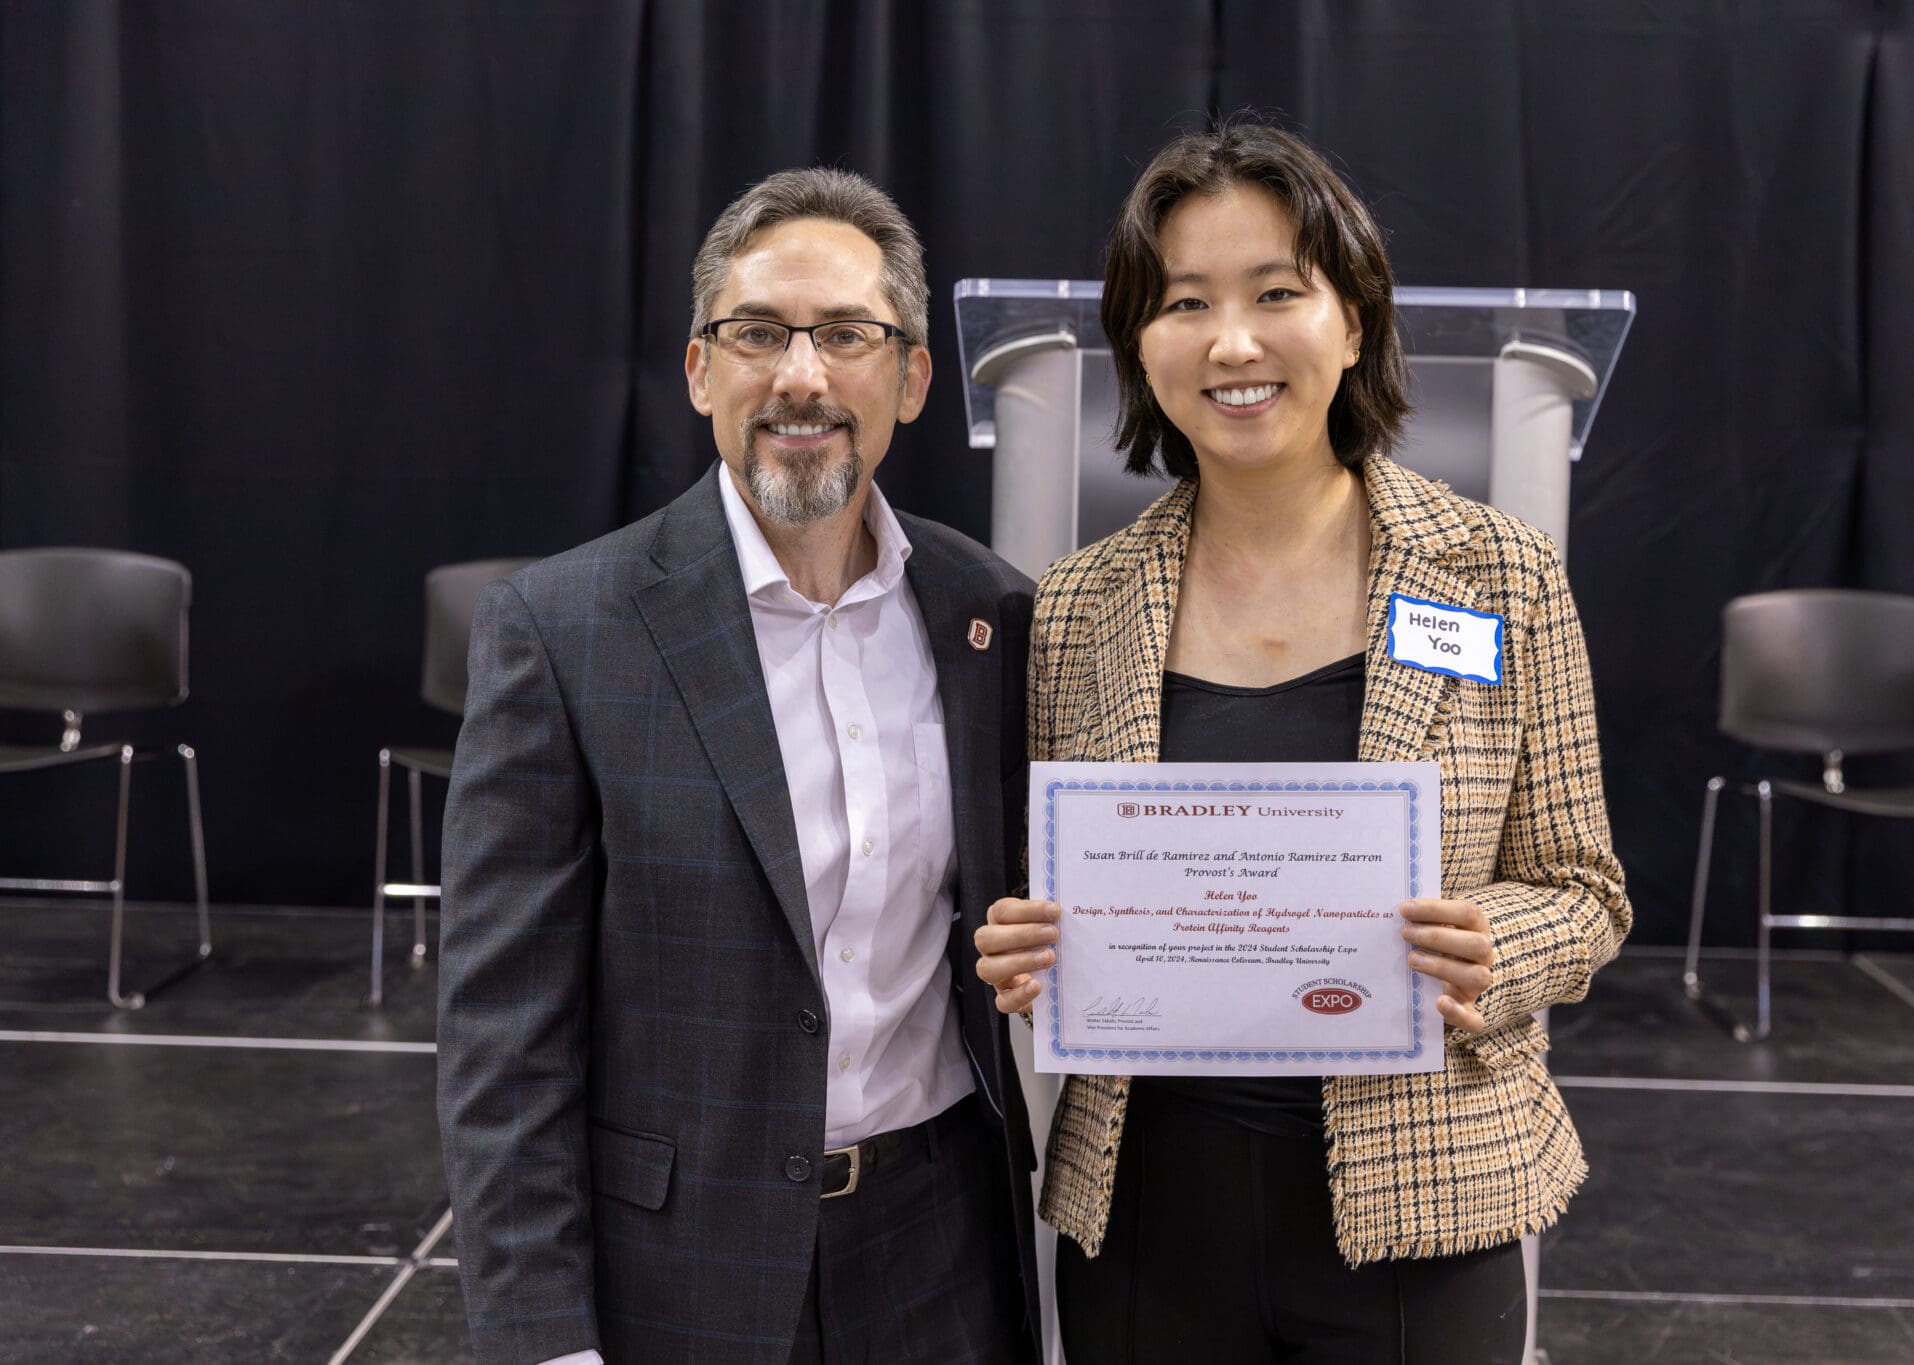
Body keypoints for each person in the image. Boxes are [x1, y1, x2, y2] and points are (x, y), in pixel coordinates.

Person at [974, 121, 1631, 1364]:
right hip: (1145, 1213)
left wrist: (1491, 944)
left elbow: (1583, 891)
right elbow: (1041, 885)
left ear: (1353, 321)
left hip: (1427, 1204)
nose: (1231, 342)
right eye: (1183, 303)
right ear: (1139, 346)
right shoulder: (1072, 606)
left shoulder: (1497, 574)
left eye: (1276, 293)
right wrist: (1022, 941)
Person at [438, 167, 1040, 1365]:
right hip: (679, 1269)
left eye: (847, 336)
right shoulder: (563, 630)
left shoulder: (989, 614)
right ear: (700, 370)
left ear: (912, 379)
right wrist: (543, 1340)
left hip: (940, 1257)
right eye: (758, 333)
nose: (801, 376)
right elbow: (506, 1037)